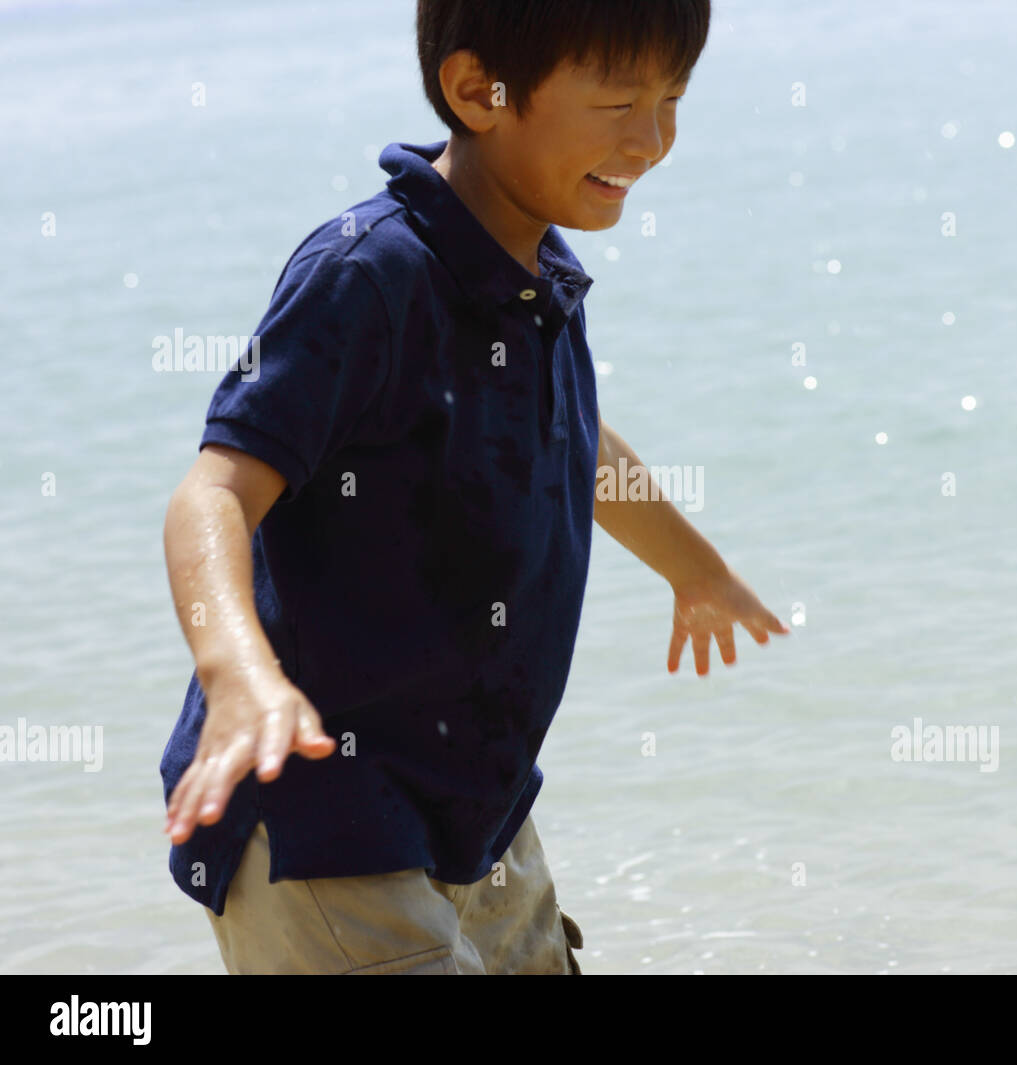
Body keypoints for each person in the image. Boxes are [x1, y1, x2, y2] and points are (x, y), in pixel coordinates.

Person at [160, 0, 786, 974]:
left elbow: (570, 444)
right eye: (619, 101)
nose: (653, 139)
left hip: (477, 807)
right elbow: (214, 494)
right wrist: (236, 673)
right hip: (322, 819)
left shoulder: (534, 270)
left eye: (673, 99)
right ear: (475, 91)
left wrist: (694, 569)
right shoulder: (368, 276)